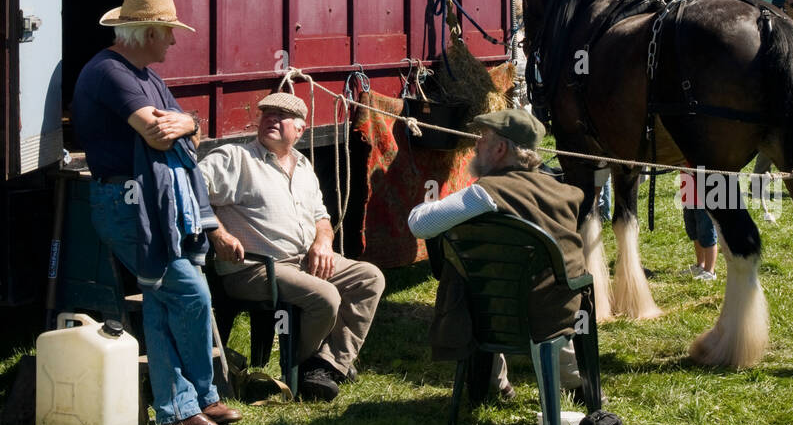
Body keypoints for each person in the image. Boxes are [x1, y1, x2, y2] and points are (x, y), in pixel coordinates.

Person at [71, 0, 240, 425]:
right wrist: (186, 125)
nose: (172, 43)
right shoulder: (111, 72)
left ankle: (177, 410)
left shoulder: (146, 76)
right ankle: (202, 396)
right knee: (191, 295)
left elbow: (187, 130)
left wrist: (190, 123)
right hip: (129, 206)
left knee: (163, 303)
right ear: (147, 33)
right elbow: (162, 136)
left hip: (151, 204)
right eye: (168, 33)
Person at [199, 93, 386, 402]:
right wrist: (218, 235)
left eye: (281, 116)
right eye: (267, 114)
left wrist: (323, 241)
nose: (272, 119)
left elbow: (321, 216)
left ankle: (325, 365)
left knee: (370, 277)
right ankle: (299, 368)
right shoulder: (234, 158)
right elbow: (192, 190)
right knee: (326, 296)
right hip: (255, 268)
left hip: (302, 261)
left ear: (300, 130)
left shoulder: (303, 165)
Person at [407, 107, 589, 397]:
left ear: (501, 148)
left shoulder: (485, 193)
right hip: (558, 315)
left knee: (476, 280)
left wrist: (428, 205)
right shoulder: (563, 192)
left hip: (493, 317)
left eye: (483, 138)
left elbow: (420, 225)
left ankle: (493, 382)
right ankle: (574, 381)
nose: (476, 144)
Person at [752, 0, 793, 222]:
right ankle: (758, 182)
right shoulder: (777, 26)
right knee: (772, 140)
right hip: (781, 94)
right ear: (785, 6)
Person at [678, 173, 717, 282]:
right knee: (695, 233)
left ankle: (710, 271)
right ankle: (700, 265)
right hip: (688, 194)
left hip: (704, 198)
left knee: (707, 234)